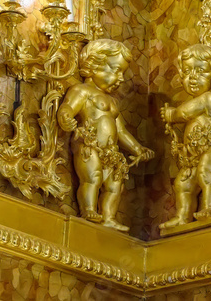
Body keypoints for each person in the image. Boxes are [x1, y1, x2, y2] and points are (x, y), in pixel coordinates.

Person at [59, 39, 154, 231]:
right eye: (115, 70)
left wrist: (137, 148)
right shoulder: (82, 91)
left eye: (122, 73)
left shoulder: (112, 101)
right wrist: (65, 116)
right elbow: (68, 107)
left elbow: (120, 131)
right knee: (92, 178)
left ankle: (109, 217)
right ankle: (89, 210)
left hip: (111, 151)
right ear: (93, 66)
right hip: (89, 144)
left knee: (115, 185)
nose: (120, 78)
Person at [160, 44, 211, 229]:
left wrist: (172, 115)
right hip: (193, 154)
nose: (193, 78)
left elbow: (185, 113)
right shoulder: (200, 99)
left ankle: (210, 209)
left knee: (207, 176)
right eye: (187, 72)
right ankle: (183, 216)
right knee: (183, 184)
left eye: (201, 71)